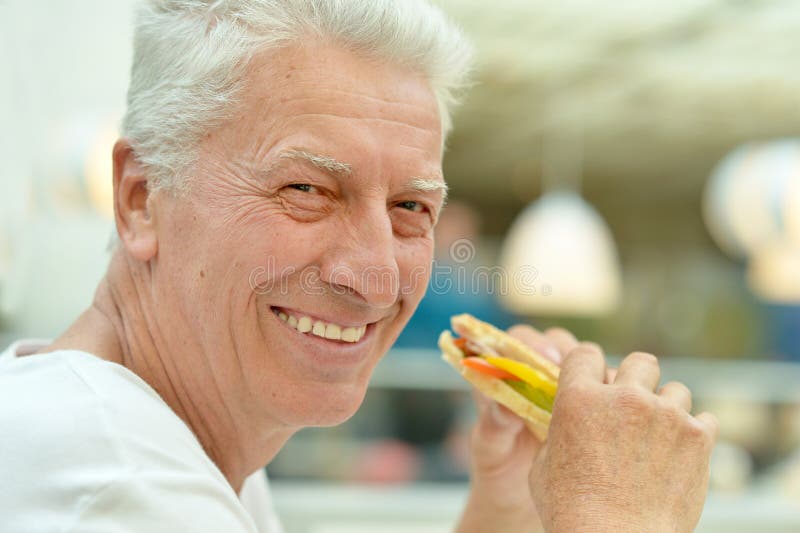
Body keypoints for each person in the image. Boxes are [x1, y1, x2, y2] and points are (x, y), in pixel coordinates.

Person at [0, 1, 718, 532]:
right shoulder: (115, 482)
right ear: (141, 199)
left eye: (411, 207)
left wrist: (505, 506)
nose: (376, 276)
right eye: (307, 190)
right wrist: (616, 518)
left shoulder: (166, 442)